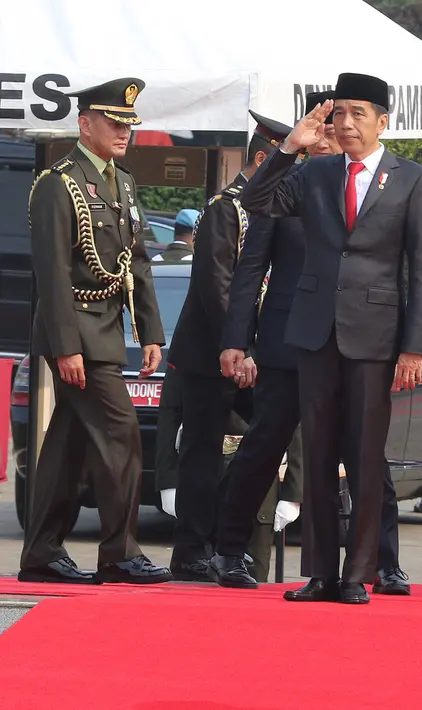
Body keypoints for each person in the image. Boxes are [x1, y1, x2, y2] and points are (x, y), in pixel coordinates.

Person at [240, 73, 422, 605]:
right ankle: (321, 572)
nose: (347, 124)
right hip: (314, 329)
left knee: (366, 457)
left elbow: (420, 268)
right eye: (339, 114)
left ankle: (359, 572)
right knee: (319, 454)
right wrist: (288, 148)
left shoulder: (412, 179)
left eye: (358, 114)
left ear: (382, 121)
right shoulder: (317, 172)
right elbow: (257, 200)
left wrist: (414, 346)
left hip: (375, 335)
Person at [19, 77, 171, 584]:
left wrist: (150, 330)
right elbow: (53, 273)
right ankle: (120, 552)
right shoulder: (57, 183)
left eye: (129, 123)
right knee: (122, 433)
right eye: (113, 122)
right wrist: (66, 347)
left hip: (108, 327)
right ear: (85, 124)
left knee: (71, 444)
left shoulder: (122, 181)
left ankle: (40, 552)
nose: (124, 131)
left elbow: (139, 261)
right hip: (77, 334)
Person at [164, 111, 289, 581]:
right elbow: (218, 286)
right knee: (201, 449)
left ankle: (225, 538)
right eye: (284, 161)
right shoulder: (226, 207)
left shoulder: (275, 206)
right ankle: (191, 549)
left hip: (254, 352)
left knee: (268, 437)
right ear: (263, 157)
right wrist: (241, 347)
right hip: (210, 353)